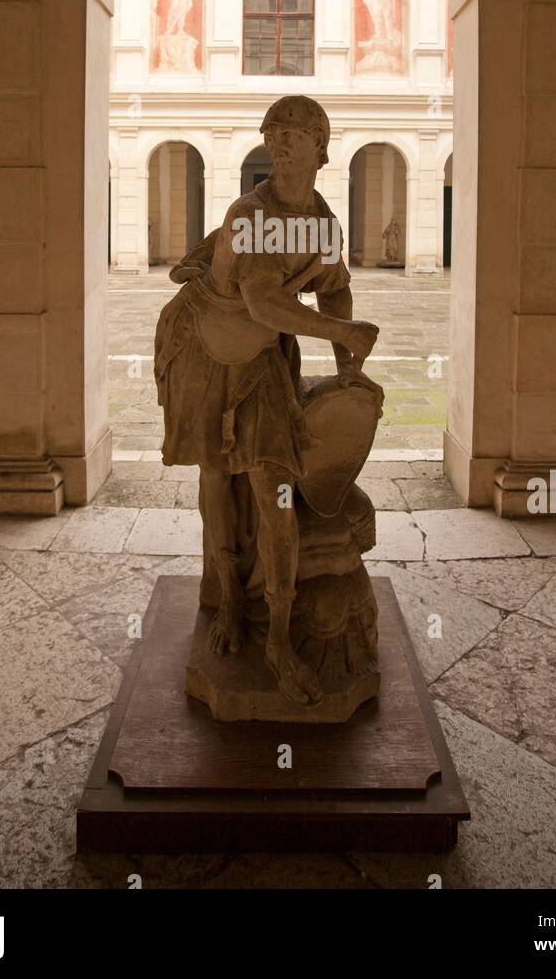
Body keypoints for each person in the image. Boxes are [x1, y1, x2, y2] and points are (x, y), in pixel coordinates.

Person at [154, 95, 379, 706]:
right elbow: (265, 304)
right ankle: (228, 595)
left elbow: (334, 289)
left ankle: (278, 637)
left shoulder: (323, 224)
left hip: (262, 360)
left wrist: (347, 366)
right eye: (274, 132)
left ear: (321, 149)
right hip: (205, 350)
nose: (281, 141)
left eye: (296, 132)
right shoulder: (250, 213)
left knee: (272, 487)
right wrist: (343, 335)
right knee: (215, 474)